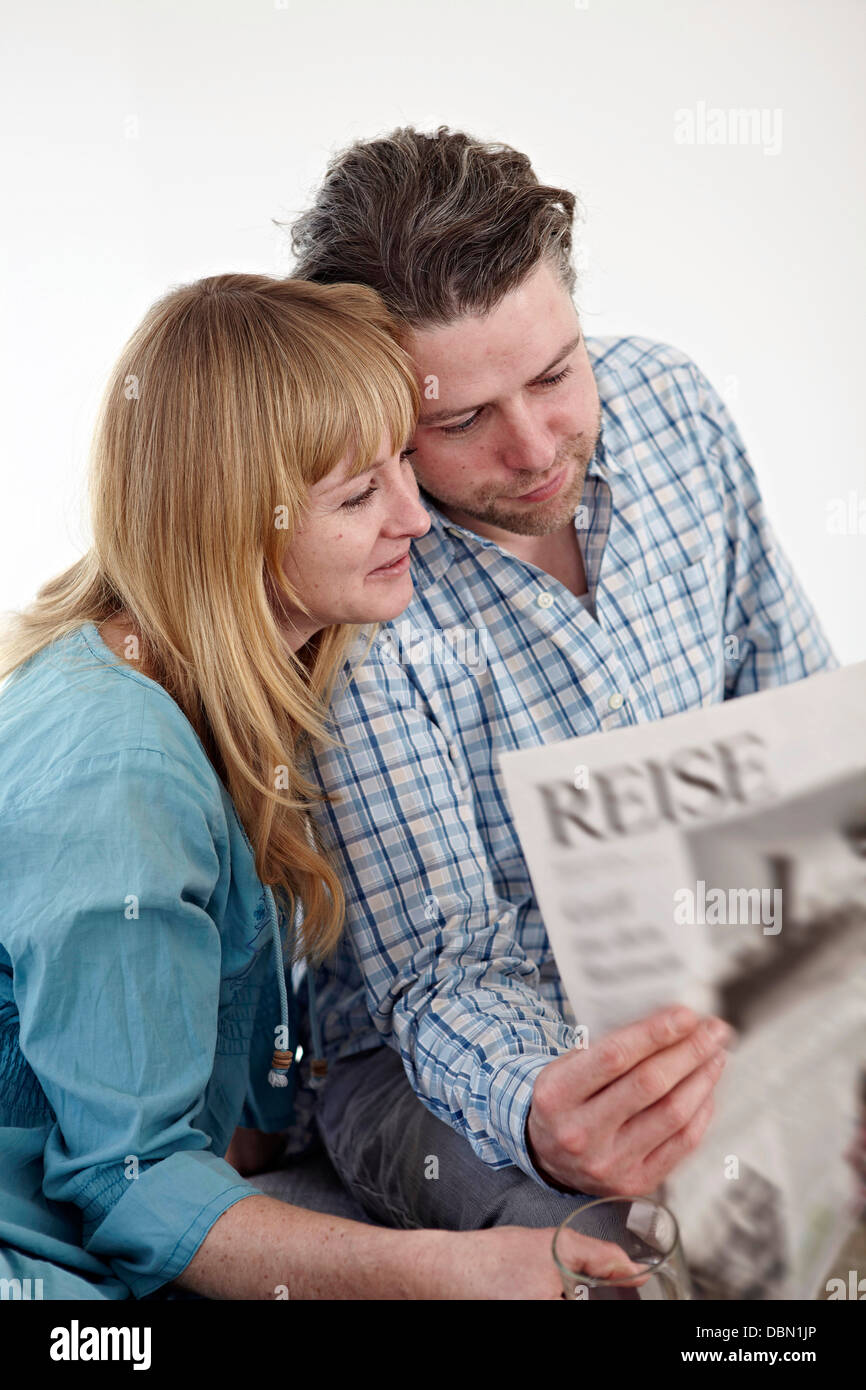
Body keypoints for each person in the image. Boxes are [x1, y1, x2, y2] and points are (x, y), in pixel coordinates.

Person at [0, 271, 641, 1300]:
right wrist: (447, 1270)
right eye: (357, 496)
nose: (416, 520)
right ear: (233, 528)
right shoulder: (119, 769)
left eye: (401, 463)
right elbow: (128, 1183)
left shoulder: (211, 680)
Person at [264, 125, 838, 1232]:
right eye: (459, 419)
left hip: (720, 988)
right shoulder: (364, 585)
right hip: (451, 1073)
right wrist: (539, 1109)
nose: (532, 449)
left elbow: (795, 723)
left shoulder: (668, 404)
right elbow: (438, 979)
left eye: (554, 373)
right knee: (628, 1254)